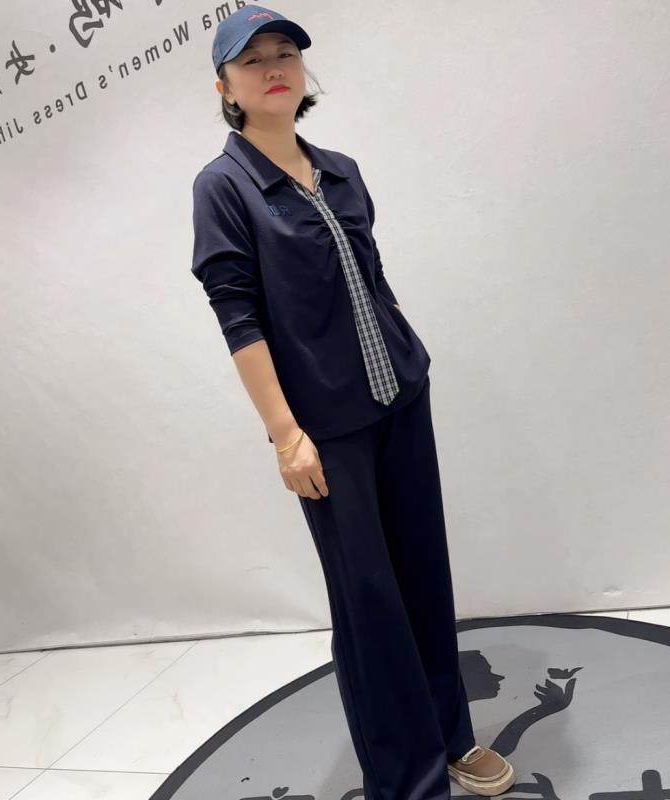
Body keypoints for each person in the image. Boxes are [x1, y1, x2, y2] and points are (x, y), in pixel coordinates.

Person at [190, 5, 515, 798]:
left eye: (286, 53)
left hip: (399, 395)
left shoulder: (340, 169)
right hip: (325, 427)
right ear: (225, 87)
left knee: (423, 573)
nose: (274, 67)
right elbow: (238, 316)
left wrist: (407, 352)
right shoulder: (224, 187)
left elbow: (371, 278)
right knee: (368, 603)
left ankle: (451, 737)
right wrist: (285, 435)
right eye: (252, 60)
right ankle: (407, 778)